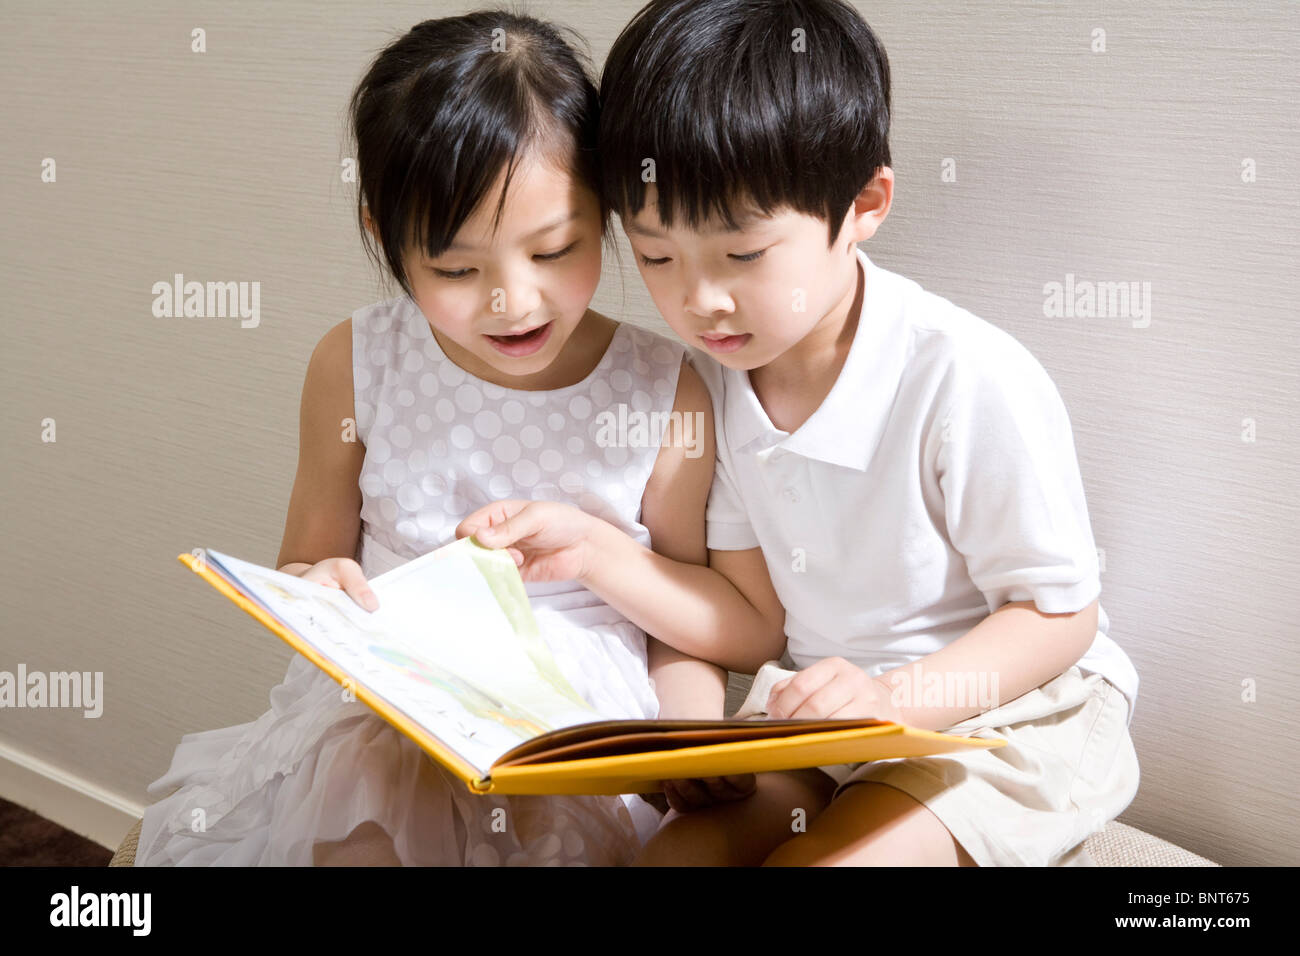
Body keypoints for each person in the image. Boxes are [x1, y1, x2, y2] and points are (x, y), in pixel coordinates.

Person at [457, 0, 1141, 866]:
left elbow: (1058, 615)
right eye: (657, 256)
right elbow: (755, 620)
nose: (700, 300)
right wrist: (597, 556)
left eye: (743, 256)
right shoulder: (711, 385)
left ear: (864, 204)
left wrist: (892, 701)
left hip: (1005, 717)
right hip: (821, 720)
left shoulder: (962, 374)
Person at [134, 9, 725, 866]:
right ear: (386, 237)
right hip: (393, 701)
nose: (512, 302)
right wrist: (316, 586)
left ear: (604, 208)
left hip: (572, 725)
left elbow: (689, 625)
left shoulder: (664, 389)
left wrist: (691, 738)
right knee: (377, 775)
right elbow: (306, 562)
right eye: (456, 269)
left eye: (554, 250)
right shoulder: (357, 362)